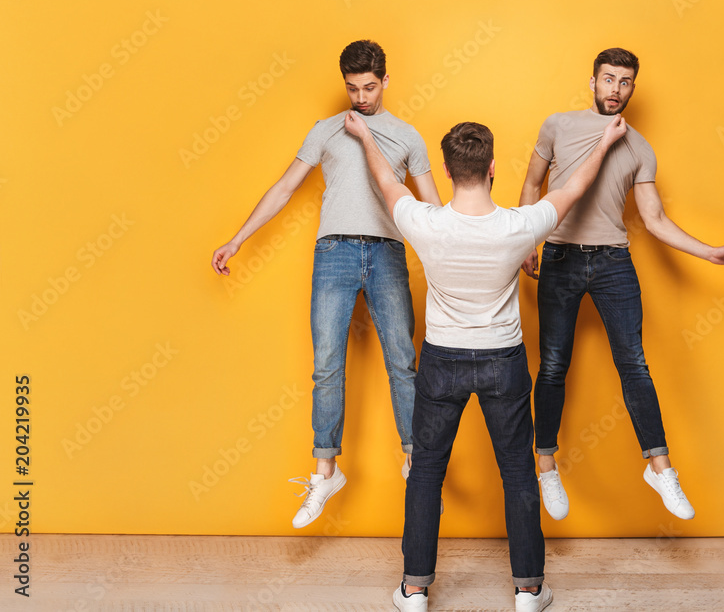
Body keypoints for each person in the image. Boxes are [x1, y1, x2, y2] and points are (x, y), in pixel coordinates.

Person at [344, 110, 627, 611]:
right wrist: (605, 141)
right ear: (493, 167)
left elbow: (387, 180)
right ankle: (529, 590)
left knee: (426, 471)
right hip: (503, 360)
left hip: (442, 361)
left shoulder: (422, 221)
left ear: (448, 172)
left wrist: (365, 135)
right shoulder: (522, 224)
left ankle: (413, 590)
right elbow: (574, 188)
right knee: (518, 472)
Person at [210, 40, 441, 529]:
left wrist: (452, 266)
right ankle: (325, 471)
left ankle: (418, 464)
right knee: (326, 364)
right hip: (334, 252)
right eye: (353, 88)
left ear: (385, 80)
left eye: (370, 87)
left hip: (386, 252)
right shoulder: (325, 131)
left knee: (403, 360)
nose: (361, 97)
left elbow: (432, 211)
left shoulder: (406, 136)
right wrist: (237, 239)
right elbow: (284, 187)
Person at [518, 47, 724, 522]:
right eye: (608, 80)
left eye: (625, 82)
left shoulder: (639, 147)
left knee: (635, 364)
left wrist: (709, 251)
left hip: (613, 262)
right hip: (560, 258)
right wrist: (528, 239)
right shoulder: (557, 126)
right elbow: (531, 186)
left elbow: (655, 219)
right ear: (593, 82)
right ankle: (545, 465)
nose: (616, 90)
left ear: (632, 87)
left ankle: (660, 468)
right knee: (553, 366)